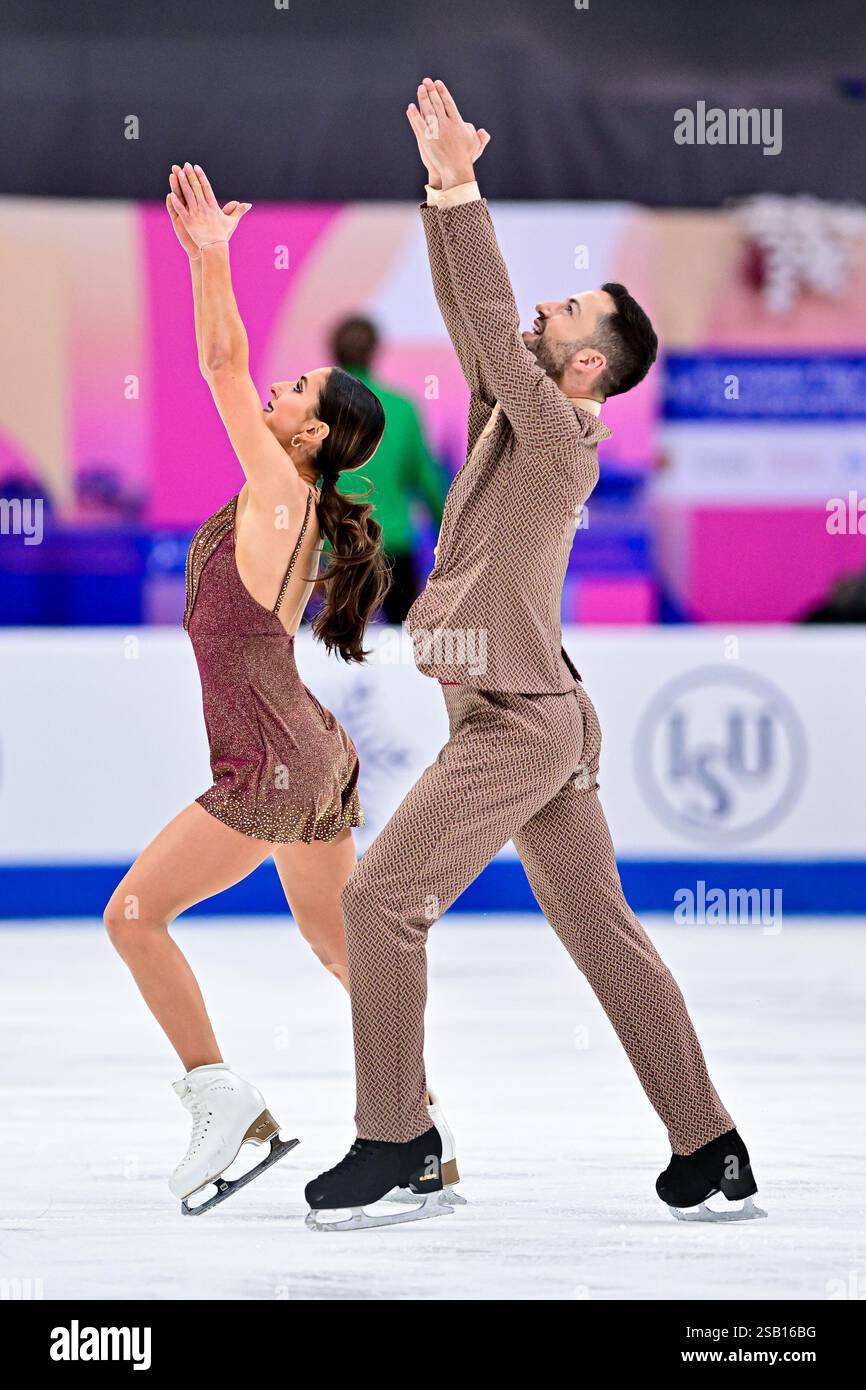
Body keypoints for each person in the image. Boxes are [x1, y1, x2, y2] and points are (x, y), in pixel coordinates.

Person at [306, 82, 764, 1231]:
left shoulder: (557, 435)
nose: (539, 316)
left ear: (584, 371)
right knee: (600, 933)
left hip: (516, 722)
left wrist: (462, 186)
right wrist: (436, 189)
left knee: (380, 901)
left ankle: (396, 1134)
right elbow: (480, 325)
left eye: (563, 311)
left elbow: (491, 313)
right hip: (532, 713)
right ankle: (707, 1143)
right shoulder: (517, 421)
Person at [104, 163, 462, 1216]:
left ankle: (228, 1109)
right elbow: (231, 368)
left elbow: (220, 358)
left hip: (273, 762)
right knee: (331, 939)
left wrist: (206, 257)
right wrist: (207, 256)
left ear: (309, 436)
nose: (276, 388)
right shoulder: (284, 498)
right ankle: (421, 1122)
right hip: (310, 750)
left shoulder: (279, 493)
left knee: (132, 915)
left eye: (293, 391)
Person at [330, 315, 448, 623]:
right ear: (374, 351)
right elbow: (425, 478)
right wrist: (446, 533)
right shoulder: (401, 407)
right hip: (392, 546)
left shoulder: (315, 409)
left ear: (333, 351)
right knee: (406, 649)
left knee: (321, 649)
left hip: (331, 547)